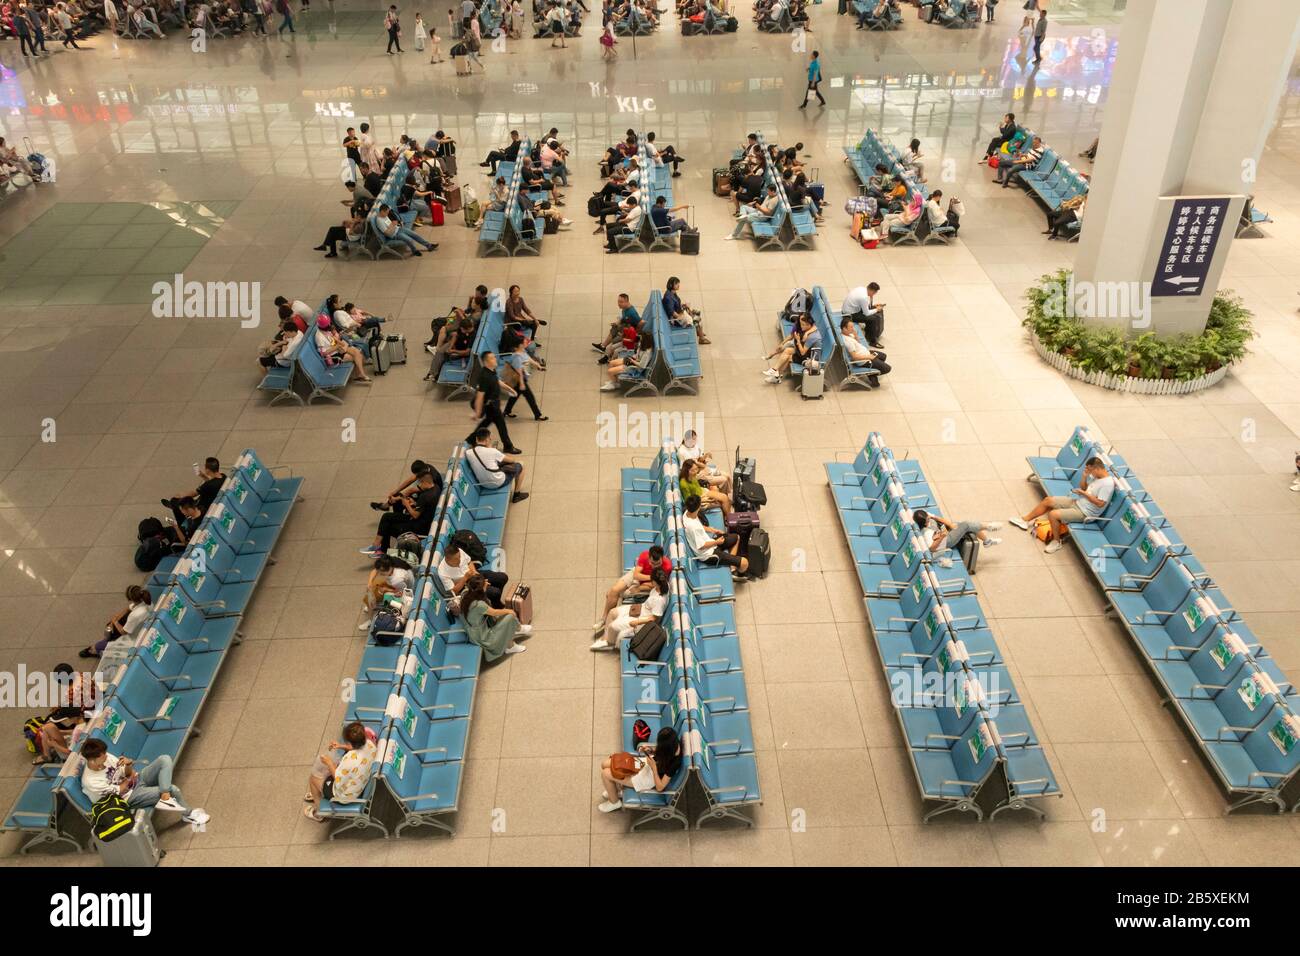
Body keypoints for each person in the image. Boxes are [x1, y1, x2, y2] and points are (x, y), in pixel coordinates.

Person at [79, 738, 208, 825]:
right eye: (103, 755)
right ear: (92, 760)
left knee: (164, 759)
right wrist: (130, 778)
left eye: (105, 753)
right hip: (127, 798)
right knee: (173, 789)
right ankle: (188, 814)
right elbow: (121, 790)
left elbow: (128, 773)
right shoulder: (91, 781)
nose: (107, 756)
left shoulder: (105, 758)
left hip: (135, 781)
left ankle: (164, 795)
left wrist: (128, 764)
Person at [1009, 456, 1115, 554]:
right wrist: (1084, 477)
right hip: (1078, 502)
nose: (1089, 473)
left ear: (1097, 469)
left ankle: (1056, 542)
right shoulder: (1096, 476)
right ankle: (1025, 521)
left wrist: (1084, 494)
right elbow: (1084, 488)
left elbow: (1100, 503)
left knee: (1053, 514)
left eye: (1090, 470)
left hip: (1085, 513)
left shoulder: (1107, 484)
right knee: (1048, 500)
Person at [304, 721, 377, 821]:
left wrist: (329, 763)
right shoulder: (370, 744)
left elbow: (338, 781)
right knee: (331, 769)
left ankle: (319, 812)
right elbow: (355, 748)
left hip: (345, 797)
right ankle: (318, 792)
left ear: (350, 743)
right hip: (360, 783)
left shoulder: (349, 760)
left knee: (313, 779)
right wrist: (340, 746)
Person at [598, 726, 682, 813]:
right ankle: (614, 792)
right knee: (604, 764)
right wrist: (650, 750)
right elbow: (660, 751)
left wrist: (653, 768)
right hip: (645, 764)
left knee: (605, 774)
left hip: (647, 778)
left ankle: (614, 802)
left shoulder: (674, 764)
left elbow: (660, 787)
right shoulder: (673, 743)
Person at [360, 469, 441, 557]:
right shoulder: (436, 488)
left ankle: (380, 549)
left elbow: (415, 515)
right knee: (387, 517)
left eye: (420, 483)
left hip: (419, 527)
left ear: (425, 482)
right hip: (425, 520)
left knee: (388, 526)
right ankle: (378, 547)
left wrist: (407, 504)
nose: (419, 485)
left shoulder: (425, 496)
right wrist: (414, 503)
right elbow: (425, 507)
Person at [30, 664, 95, 765]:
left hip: (69, 755)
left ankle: (47, 755)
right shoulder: (81, 675)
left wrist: (54, 744)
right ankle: (46, 754)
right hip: (93, 707)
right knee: (48, 727)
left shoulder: (71, 693)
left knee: (47, 727)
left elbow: (71, 752)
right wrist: (62, 732)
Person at [592, 566, 669, 651]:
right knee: (612, 612)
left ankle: (609, 642)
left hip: (643, 620)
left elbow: (653, 618)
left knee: (612, 626)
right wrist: (639, 588)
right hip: (641, 609)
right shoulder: (662, 585)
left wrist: (637, 622)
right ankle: (605, 638)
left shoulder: (660, 600)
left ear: (655, 582)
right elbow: (650, 586)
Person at [459, 572, 531, 660]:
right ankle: (510, 646)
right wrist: (510, 611)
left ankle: (517, 628)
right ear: (480, 590)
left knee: (504, 618)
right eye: (484, 584)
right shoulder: (478, 605)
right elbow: (495, 612)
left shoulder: (465, 593)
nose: (487, 582)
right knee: (509, 616)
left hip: (475, 630)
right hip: (483, 637)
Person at [465, 352, 523, 456]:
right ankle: (508, 446)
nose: (495, 359)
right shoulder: (484, 376)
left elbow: (496, 381)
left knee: (488, 423)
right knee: (500, 425)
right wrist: (477, 413)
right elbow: (480, 396)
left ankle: (471, 439)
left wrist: (510, 389)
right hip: (490, 405)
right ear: (486, 362)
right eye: (492, 358)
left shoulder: (491, 371)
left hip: (494, 404)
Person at [597, 544, 671, 625]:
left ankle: (611, 617)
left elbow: (656, 585)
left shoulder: (667, 566)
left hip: (648, 584)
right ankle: (604, 618)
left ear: (662, 558)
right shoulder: (644, 555)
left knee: (616, 594)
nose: (655, 566)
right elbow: (636, 575)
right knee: (614, 591)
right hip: (640, 577)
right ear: (649, 558)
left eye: (658, 564)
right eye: (653, 563)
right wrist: (653, 577)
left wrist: (640, 588)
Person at [682, 494, 749, 575]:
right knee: (745, 563)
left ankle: (732, 567)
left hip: (711, 543)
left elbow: (700, 527)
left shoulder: (687, 513)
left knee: (736, 537)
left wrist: (713, 530)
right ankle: (736, 574)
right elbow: (701, 545)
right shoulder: (693, 527)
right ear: (698, 507)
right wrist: (717, 542)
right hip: (709, 555)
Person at [80, 585, 152, 659]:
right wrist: (113, 621)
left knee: (99, 645)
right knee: (109, 628)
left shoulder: (135, 615)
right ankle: (105, 641)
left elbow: (123, 632)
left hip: (134, 638)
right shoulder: (146, 601)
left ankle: (96, 649)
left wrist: (115, 621)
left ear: (130, 599)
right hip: (140, 628)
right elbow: (127, 608)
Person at [913, 510, 1001, 569]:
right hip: (947, 540)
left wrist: (950, 525)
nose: (929, 518)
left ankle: (987, 541)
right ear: (923, 523)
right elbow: (931, 548)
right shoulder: (927, 533)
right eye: (928, 519)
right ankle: (988, 527)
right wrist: (941, 537)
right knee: (966, 524)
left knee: (967, 525)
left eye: (928, 517)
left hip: (945, 531)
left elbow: (939, 520)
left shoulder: (926, 516)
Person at [465, 425, 530, 503]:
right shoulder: (492, 451)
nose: (490, 440)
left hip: (483, 483)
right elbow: (512, 460)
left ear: (476, 439)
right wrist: (490, 448)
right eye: (489, 438)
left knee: (499, 464)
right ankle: (517, 495)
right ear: (486, 440)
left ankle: (517, 494)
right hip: (498, 482)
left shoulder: (469, 453)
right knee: (521, 464)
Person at [438, 539, 509, 608]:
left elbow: (469, 562)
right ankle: (495, 605)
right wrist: (465, 578)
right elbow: (454, 591)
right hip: (465, 587)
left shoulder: (459, 551)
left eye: (459, 557)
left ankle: (494, 602)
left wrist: (476, 574)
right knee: (495, 593)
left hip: (473, 575)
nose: (459, 560)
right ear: (448, 559)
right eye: (456, 559)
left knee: (502, 577)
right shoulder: (442, 572)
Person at [763, 311, 821, 382]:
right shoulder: (811, 327)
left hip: (810, 360)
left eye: (803, 325)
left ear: (808, 324)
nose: (801, 326)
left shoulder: (812, 337)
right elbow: (814, 326)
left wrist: (798, 341)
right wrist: (806, 333)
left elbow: (803, 352)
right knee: (787, 351)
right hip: (807, 352)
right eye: (801, 323)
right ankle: (775, 372)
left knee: (789, 356)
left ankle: (776, 374)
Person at [502, 335, 547, 421]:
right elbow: (519, 372)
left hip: (522, 379)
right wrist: (522, 383)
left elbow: (530, 360)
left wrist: (538, 366)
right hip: (519, 380)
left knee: (514, 396)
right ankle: (537, 415)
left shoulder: (523, 352)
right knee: (530, 398)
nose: (527, 342)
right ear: (520, 345)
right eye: (525, 342)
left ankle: (506, 411)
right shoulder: (517, 357)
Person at [839, 318, 891, 386]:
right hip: (864, 360)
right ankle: (872, 374)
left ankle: (872, 376)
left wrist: (856, 335)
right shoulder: (848, 342)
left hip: (865, 353)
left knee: (883, 356)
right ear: (844, 329)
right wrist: (869, 357)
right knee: (887, 368)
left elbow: (858, 343)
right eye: (851, 327)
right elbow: (854, 357)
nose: (853, 328)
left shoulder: (848, 334)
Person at [662, 276, 708, 345]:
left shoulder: (672, 292)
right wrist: (681, 317)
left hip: (680, 313)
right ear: (671, 285)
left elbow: (676, 305)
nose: (678, 285)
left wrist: (683, 305)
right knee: (697, 320)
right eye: (676, 284)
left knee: (697, 312)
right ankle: (701, 339)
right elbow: (671, 311)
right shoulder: (669, 297)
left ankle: (699, 331)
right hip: (676, 320)